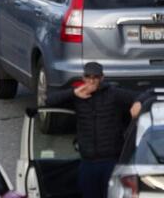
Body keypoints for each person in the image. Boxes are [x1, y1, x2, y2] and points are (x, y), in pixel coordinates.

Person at [47, 62, 144, 198]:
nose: (91, 81)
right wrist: (73, 92)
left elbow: (141, 95)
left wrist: (138, 103)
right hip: (88, 163)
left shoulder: (114, 94)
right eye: (88, 77)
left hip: (110, 162)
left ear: (102, 78)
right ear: (83, 78)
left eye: (95, 77)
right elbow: (49, 101)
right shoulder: (77, 98)